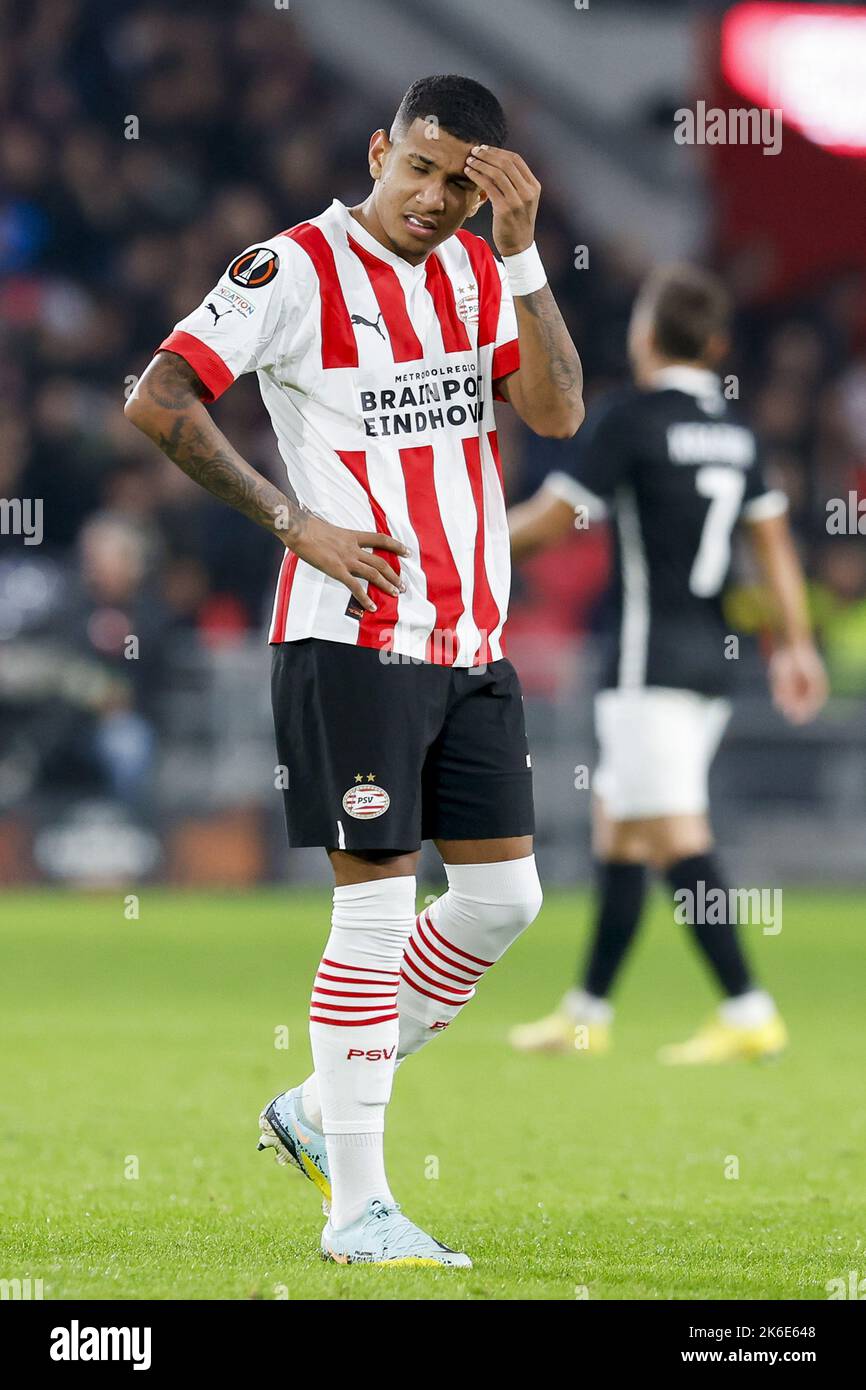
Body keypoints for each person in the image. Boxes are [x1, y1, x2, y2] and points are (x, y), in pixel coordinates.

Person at [124, 74, 584, 1267]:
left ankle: (312, 1112)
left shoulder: (483, 273)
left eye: (462, 181)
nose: (435, 197)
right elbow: (157, 397)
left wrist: (524, 258)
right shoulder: (292, 271)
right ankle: (358, 1210)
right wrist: (292, 521)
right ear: (381, 148)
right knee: (374, 912)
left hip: (469, 637)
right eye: (420, 168)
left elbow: (558, 410)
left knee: (501, 902)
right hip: (353, 631)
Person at [507, 263, 827, 1065]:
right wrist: (794, 646)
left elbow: (551, 523)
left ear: (643, 334)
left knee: (676, 833)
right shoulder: (736, 432)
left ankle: (749, 1009)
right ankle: (586, 1014)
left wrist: (453, 540)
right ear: (716, 344)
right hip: (710, 663)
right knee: (621, 825)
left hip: (650, 664)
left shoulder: (631, 419)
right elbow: (775, 550)